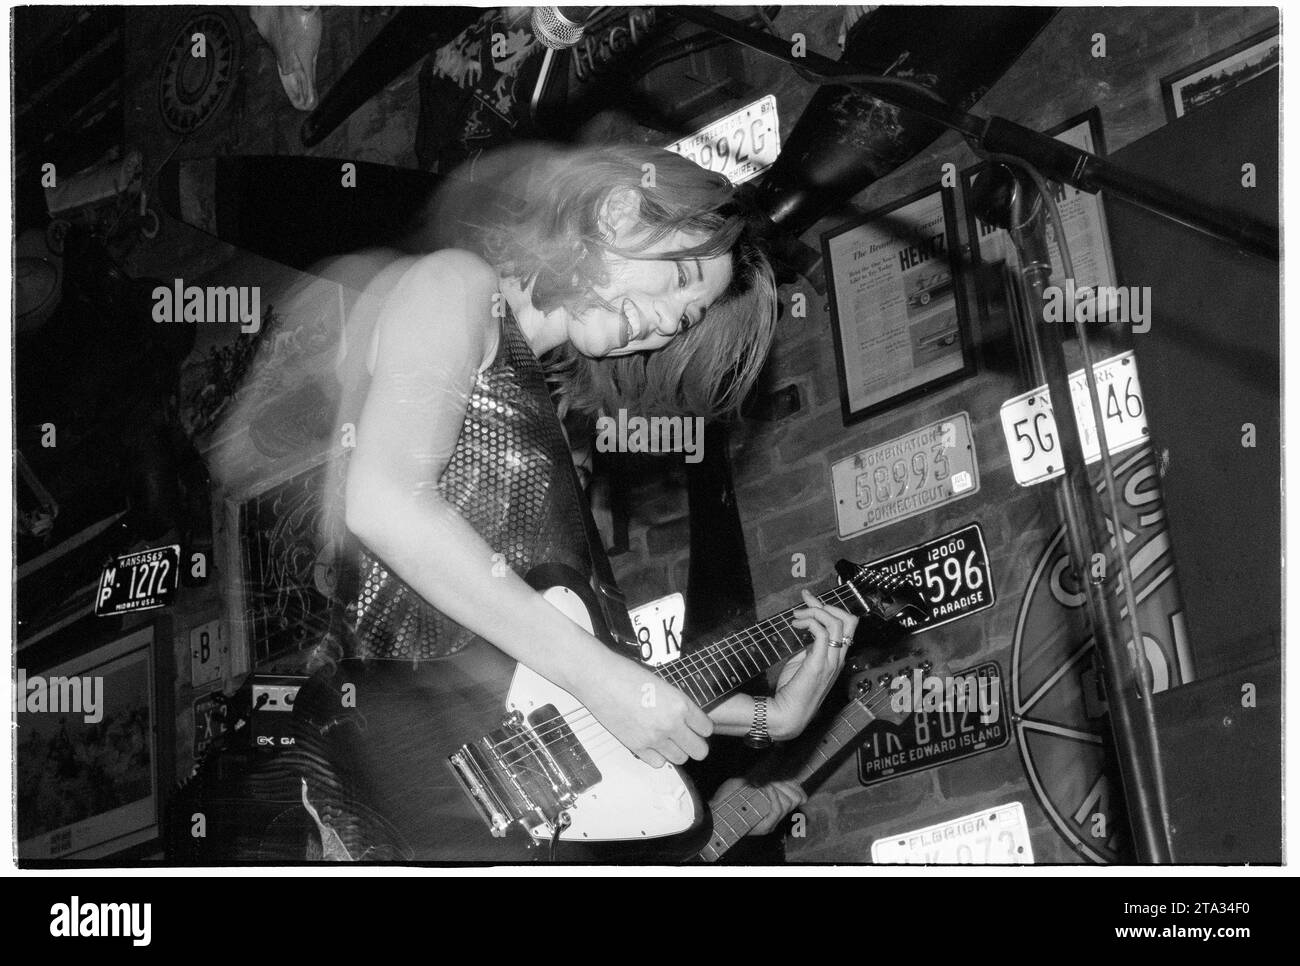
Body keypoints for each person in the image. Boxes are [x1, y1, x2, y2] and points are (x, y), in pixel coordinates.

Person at [291, 145, 854, 861]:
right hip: (382, 780)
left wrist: (768, 717)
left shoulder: (545, 419)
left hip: (476, 802)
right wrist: (602, 677)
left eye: (684, 320)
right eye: (678, 278)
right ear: (619, 209)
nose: (661, 324)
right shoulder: (456, 284)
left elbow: (555, 688)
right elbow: (386, 501)